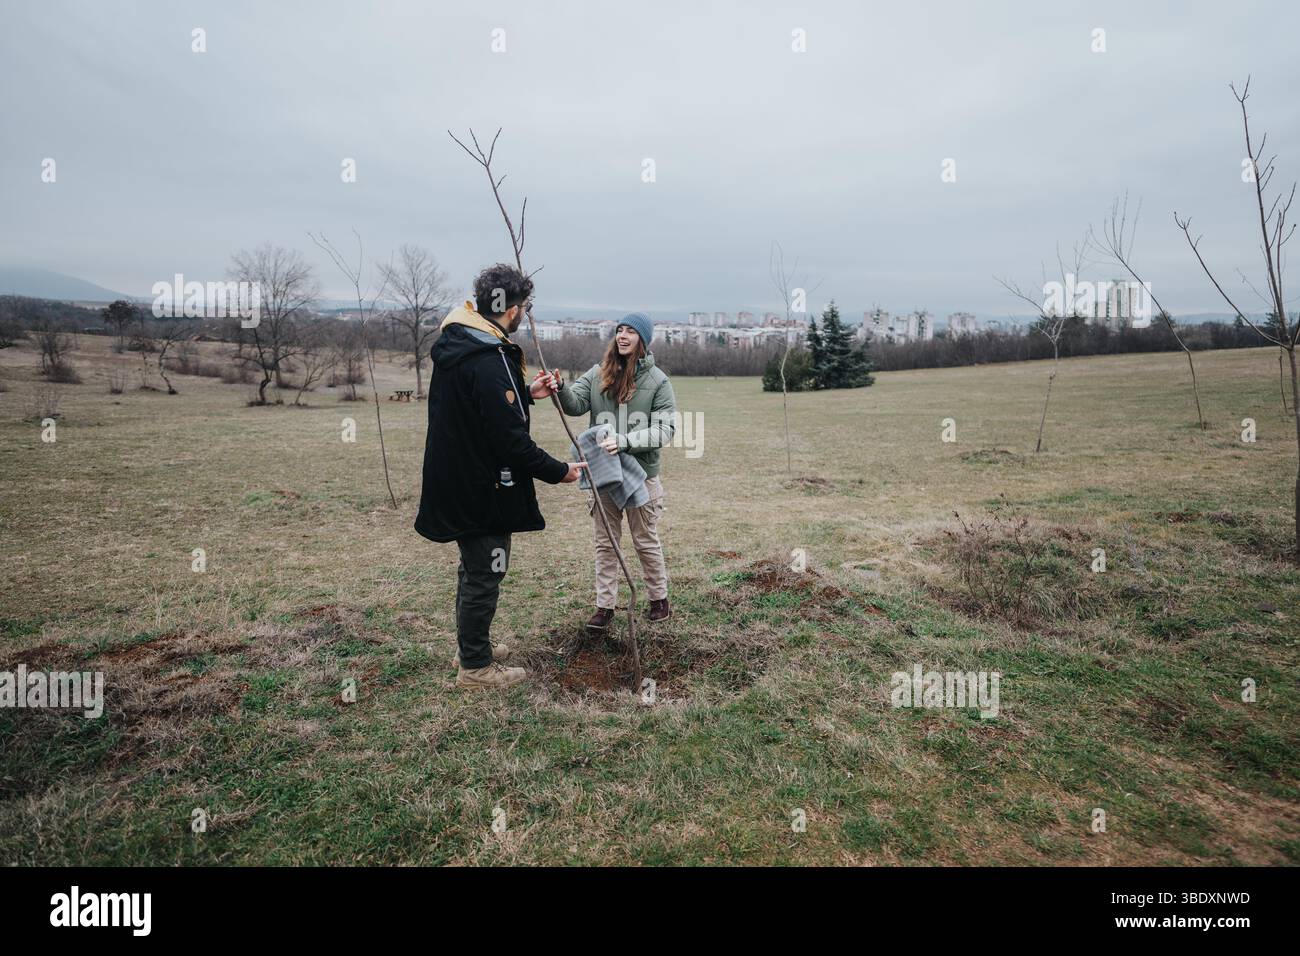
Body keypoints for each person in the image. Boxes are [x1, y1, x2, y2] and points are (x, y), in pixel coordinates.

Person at [414, 264, 585, 690]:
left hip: (460, 476)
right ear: (512, 310)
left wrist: (527, 394)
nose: (523, 316)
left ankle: (473, 646)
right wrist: (560, 472)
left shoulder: (464, 341)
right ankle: (475, 669)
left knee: (474, 569)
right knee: (485, 571)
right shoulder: (488, 356)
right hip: (479, 484)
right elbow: (510, 442)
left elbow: (481, 407)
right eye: (524, 308)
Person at [553, 313, 677, 630]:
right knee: (606, 543)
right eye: (619, 331)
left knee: (644, 540)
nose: (622, 336)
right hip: (603, 473)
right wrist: (560, 387)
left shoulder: (658, 382)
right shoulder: (598, 374)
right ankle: (604, 607)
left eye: (630, 332)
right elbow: (575, 404)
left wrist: (625, 441)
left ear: (643, 341)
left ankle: (658, 600)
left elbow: (665, 430)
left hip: (642, 475)